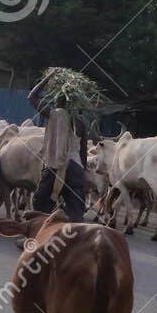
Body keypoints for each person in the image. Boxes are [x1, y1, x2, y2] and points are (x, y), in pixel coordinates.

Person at [26, 69, 92, 221]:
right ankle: (74, 239)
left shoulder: (54, 114)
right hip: (75, 169)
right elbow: (83, 152)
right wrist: (83, 173)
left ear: (59, 103)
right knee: (76, 212)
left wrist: (48, 78)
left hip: (54, 167)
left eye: (55, 100)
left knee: (40, 205)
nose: (54, 102)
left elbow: (32, 97)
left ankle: (37, 237)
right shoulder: (80, 122)